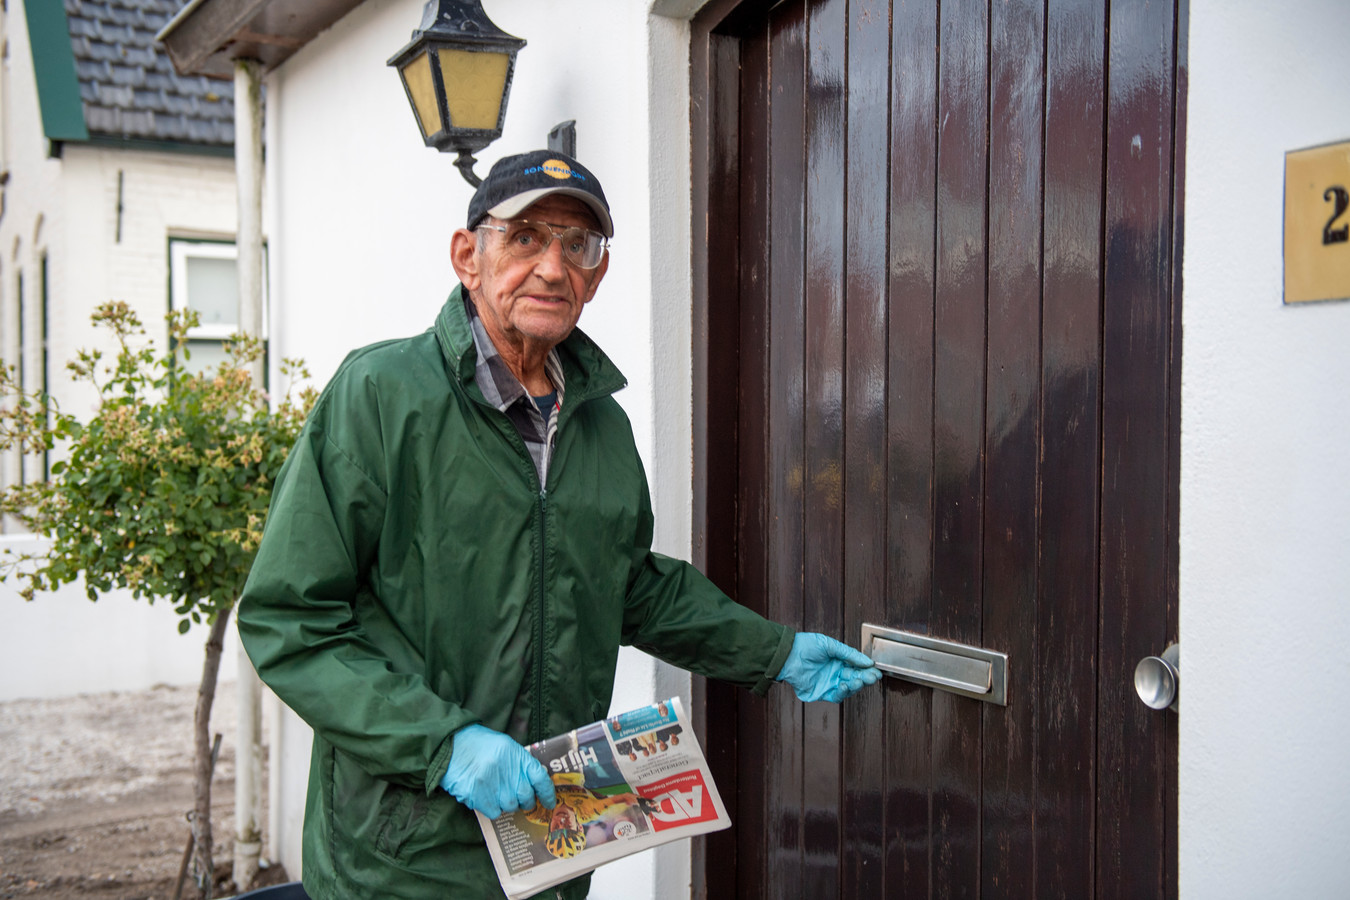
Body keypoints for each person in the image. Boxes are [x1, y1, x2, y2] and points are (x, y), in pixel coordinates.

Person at [236, 149, 881, 900]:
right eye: (526, 238)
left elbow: (632, 588)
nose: (552, 267)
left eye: (578, 245)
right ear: (466, 256)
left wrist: (776, 653)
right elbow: (290, 621)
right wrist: (444, 747)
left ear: (598, 275)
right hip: (401, 857)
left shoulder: (600, 424)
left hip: (552, 842)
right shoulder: (381, 396)